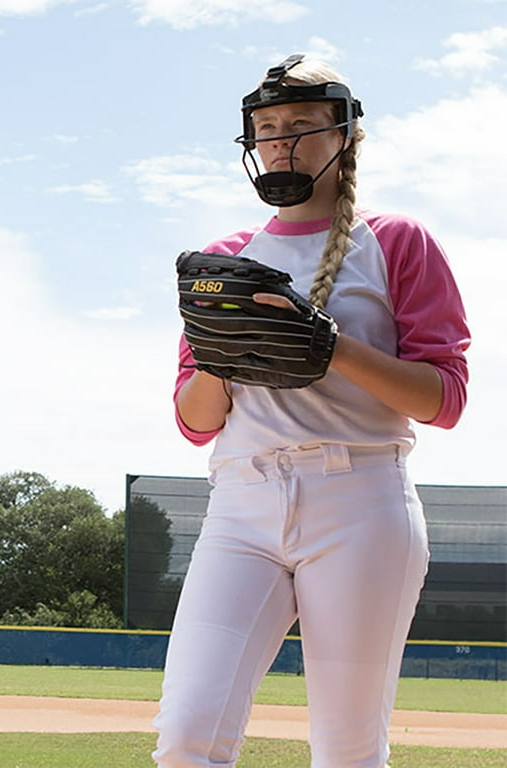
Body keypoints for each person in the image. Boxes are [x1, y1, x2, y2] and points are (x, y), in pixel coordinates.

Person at [152, 53, 470, 768]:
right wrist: (219, 351)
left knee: (347, 751)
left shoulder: (396, 241)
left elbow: (445, 399)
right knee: (186, 740)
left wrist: (330, 348)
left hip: (359, 496)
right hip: (241, 502)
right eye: (267, 129)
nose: (280, 143)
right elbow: (194, 420)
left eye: (301, 125)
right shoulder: (225, 258)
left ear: (347, 135)